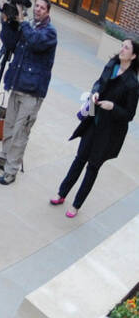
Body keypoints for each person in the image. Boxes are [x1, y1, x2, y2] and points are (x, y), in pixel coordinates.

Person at [52, 37, 138, 217]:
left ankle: (76, 205)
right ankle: (61, 194)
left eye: (126, 48)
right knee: (79, 159)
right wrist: (95, 93)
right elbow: (98, 82)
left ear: (134, 56)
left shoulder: (132, 83)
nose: (121, 49)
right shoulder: (111, 65)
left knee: (92, 167)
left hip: (109, 132)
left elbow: (129, 114)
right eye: (122, 46)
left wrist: (113, 107)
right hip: (93, 121)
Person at [0, 0, 56, 185]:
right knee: (8, 126)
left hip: (32, 92)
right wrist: (7, 21)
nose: (38, 9)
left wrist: (22, 22)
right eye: (37, 6)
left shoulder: (49, 33)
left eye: (42, 7)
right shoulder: (28, 25)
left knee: (20, 132)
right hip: (17, 85)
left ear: (48, 12)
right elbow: (10, 43)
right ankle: (3, 157)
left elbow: (35, 42)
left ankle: (11, 170)